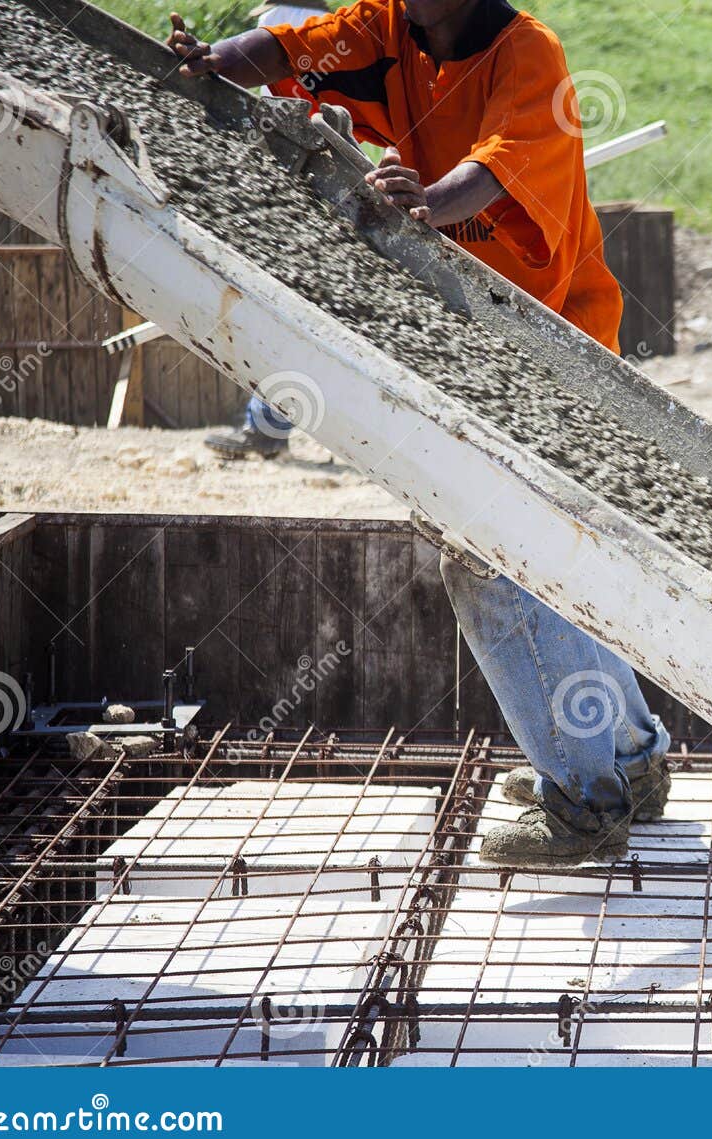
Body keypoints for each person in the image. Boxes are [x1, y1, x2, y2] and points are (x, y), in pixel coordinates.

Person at [167, 0, 669, 869]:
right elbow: (284, 48)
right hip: (469, 339)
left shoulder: (529, 55)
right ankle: (630, 760)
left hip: (551, 346)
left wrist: (425, 203)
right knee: (551, 564)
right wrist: (214, 61)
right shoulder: (390, 28)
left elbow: (498, 167)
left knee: (492, 564)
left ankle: (587, 801)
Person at [203, 0, 332, 460]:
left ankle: (266, 429)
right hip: (333, 181)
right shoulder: (337, 26)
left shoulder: (276, 23)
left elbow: (251, 97)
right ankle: (268, 426)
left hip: (291, 185)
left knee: (280, 314)